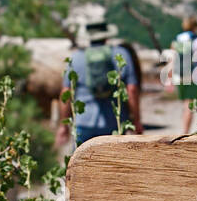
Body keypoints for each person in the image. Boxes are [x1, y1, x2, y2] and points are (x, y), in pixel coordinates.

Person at [55, 19, 142, 148]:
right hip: (114, 123)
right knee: (113, 166)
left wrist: (63, 126)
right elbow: (132, 90)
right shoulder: (121, 55)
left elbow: (66, 93)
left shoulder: (76, 58)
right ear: (107, 34)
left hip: (83, 123)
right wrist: (137, 120)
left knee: (81, 165)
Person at [171, 16, 197, 135]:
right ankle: (185, 131)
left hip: (179, 75)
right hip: (193, 75)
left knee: (184, 103)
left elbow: (173, 58)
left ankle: (183, 128)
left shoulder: (178, 38)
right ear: (196, 26)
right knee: (189, 104)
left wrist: (171, 75)